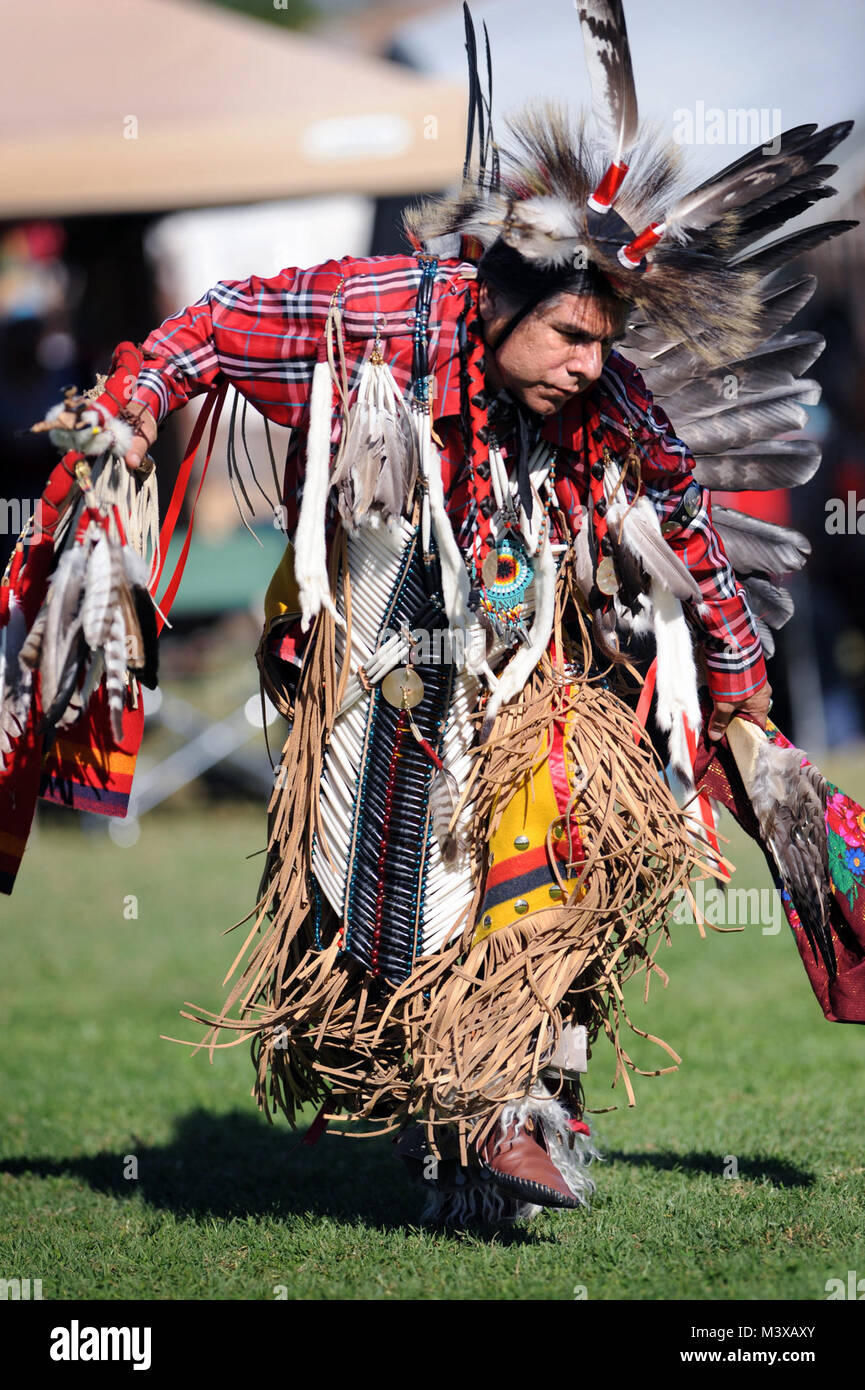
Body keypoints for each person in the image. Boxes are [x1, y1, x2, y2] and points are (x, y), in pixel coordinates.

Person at [3, 1, 860, 1224]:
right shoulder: (379, 313)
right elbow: (204, 330)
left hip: (534, 661)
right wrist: (134, 409)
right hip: (383, 654)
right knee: (406, 899)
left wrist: (734, 685)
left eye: (602, 341)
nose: (585, 363)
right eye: (568, 334)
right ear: (502, 303)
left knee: (583, 842)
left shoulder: (608, 405)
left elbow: (683, 527)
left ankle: (521, 1108)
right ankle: (480, 1119)